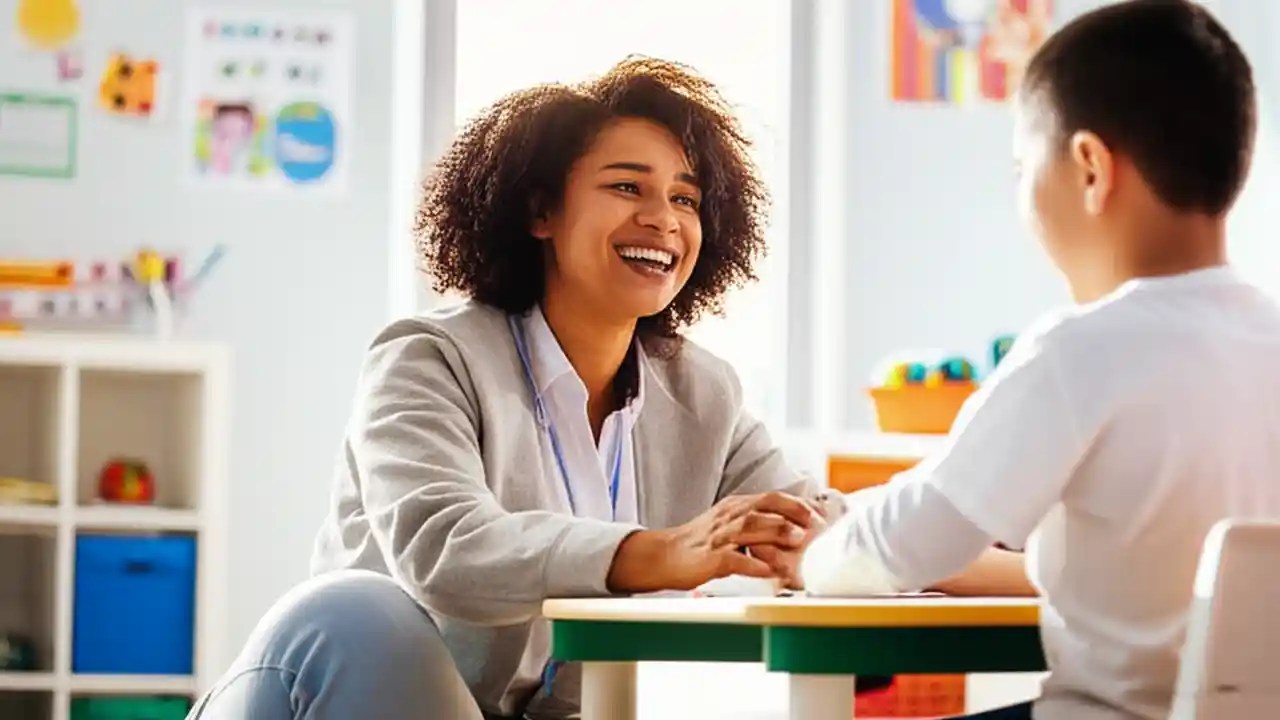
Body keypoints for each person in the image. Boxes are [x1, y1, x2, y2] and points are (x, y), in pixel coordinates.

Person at [187, 57, 820, 720]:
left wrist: (915, 549)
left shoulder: (704, 392)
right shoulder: (428, 358)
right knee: (358, 612)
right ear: (541, 210)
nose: (663, 219)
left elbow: (806, 522)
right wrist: (656, 553)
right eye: (628, 187)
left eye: (686, 199)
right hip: (322, 686)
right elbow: (446, 546)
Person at [801, 2, 1280, 719]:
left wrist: (814, 552)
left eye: (1024, 168)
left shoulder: (1080, 352)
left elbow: (889, 552)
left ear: (1090, 167)